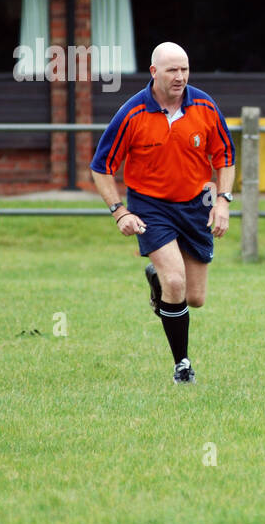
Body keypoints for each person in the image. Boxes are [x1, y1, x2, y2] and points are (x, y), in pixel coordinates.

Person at [91, 42, 235, 384]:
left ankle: (156, 280)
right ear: (154, 72)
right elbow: (101, 167)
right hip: (150, 207)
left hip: (195, 204)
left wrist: (224, 202)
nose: (180, 77)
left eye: (184, 69)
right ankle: (182, 365)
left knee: (194, 298)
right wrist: (119, 212)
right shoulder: (131, 113)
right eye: (172, 70)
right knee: (175, 280)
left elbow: (225, 157)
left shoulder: (204, 105)